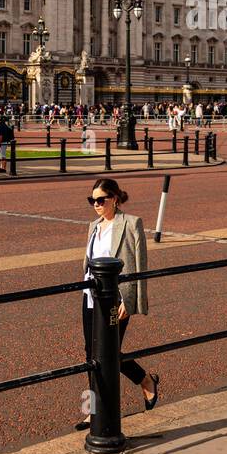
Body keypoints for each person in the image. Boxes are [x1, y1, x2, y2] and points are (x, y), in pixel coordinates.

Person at [75, 178, 159, 431]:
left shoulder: (131, 223)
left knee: (109, 352)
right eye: (92, 201)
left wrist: (130, 301)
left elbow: (139, 265)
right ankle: (94, 411)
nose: (96, 205)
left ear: (114, 198)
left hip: (116, 298)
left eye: (100, 200)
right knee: (92, 354)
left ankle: (145, 381)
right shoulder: (94, 226)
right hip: (91, 296)